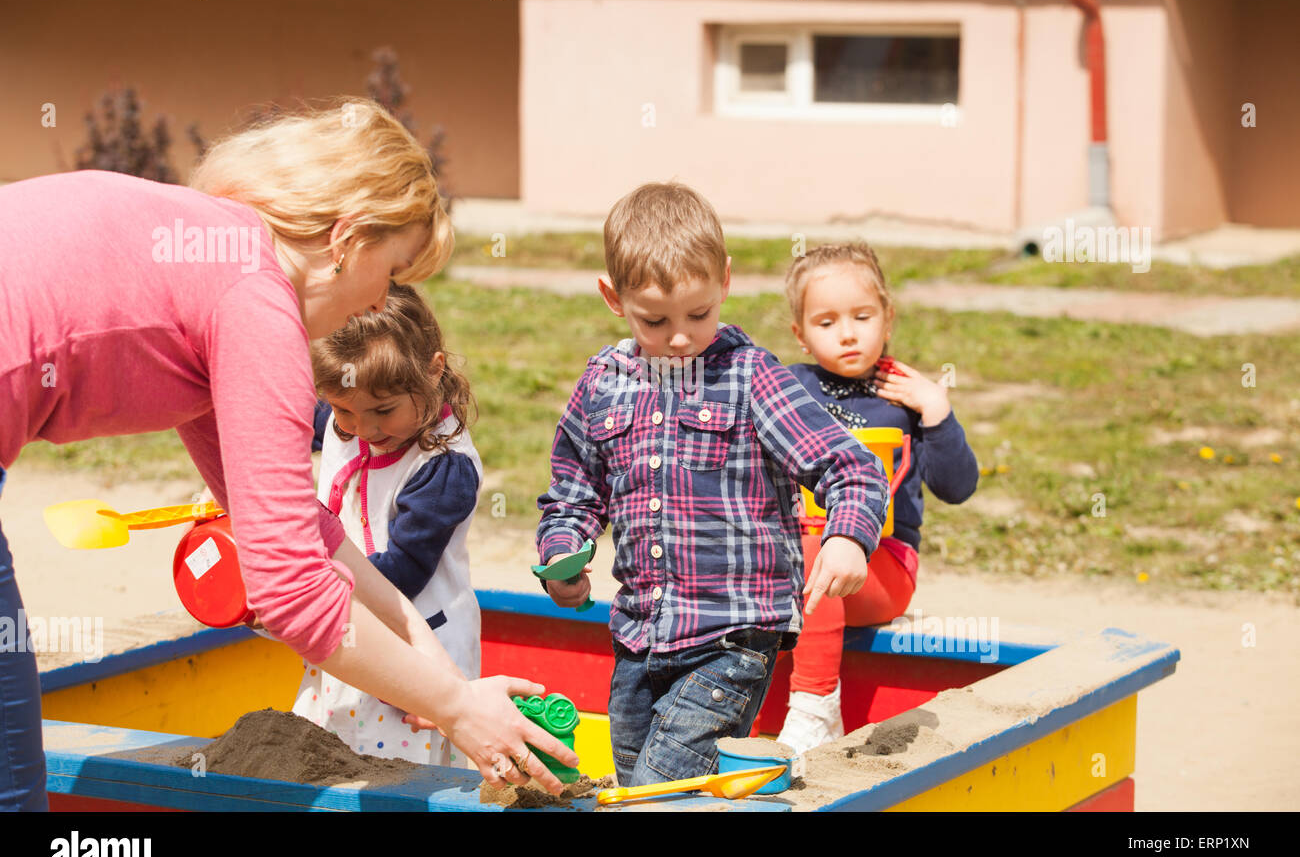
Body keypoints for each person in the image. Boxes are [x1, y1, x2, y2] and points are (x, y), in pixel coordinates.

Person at [0, 97, 575, 810]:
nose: (379, 305)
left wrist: (427, 656)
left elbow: (287, 519)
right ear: (347, 238)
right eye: (392, 272)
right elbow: (292, 590)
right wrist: (460, 714)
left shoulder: (211, 254)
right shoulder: (255, 298)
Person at [535, 182, 890, 787]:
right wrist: (562, 555)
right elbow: (573, 493)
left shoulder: (750, 378)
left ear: (725, 280)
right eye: (655, 320)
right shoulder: (603, 384)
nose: (680, 336)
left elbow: (850, 466)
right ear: (611, 297)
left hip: (731, 637)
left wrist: (848, 537)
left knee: (657, 795)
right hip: (639, 638)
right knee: (638, 789)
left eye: (699, 314)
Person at [776, 243, 979, 753]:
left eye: (862, 316)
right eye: (826, 322)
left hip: (881, 568)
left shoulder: (904, 397)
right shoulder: (789, 388)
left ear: (887, 320)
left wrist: (936, 408)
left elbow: (957, 488)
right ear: (800, 334)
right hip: (790, 564)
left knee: (819, 539)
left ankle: (816, 707)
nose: (847, 332)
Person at [296, 284, 482, 766]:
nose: (365, 429)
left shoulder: (442, 468)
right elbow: (285, 422)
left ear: (433, 370)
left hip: (419, 641)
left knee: (402, 772)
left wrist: (310, 578)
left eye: (384, 410)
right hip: (350, 623)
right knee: (333, 756)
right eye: (343, 410)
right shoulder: (351, 417)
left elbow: (402, 571)